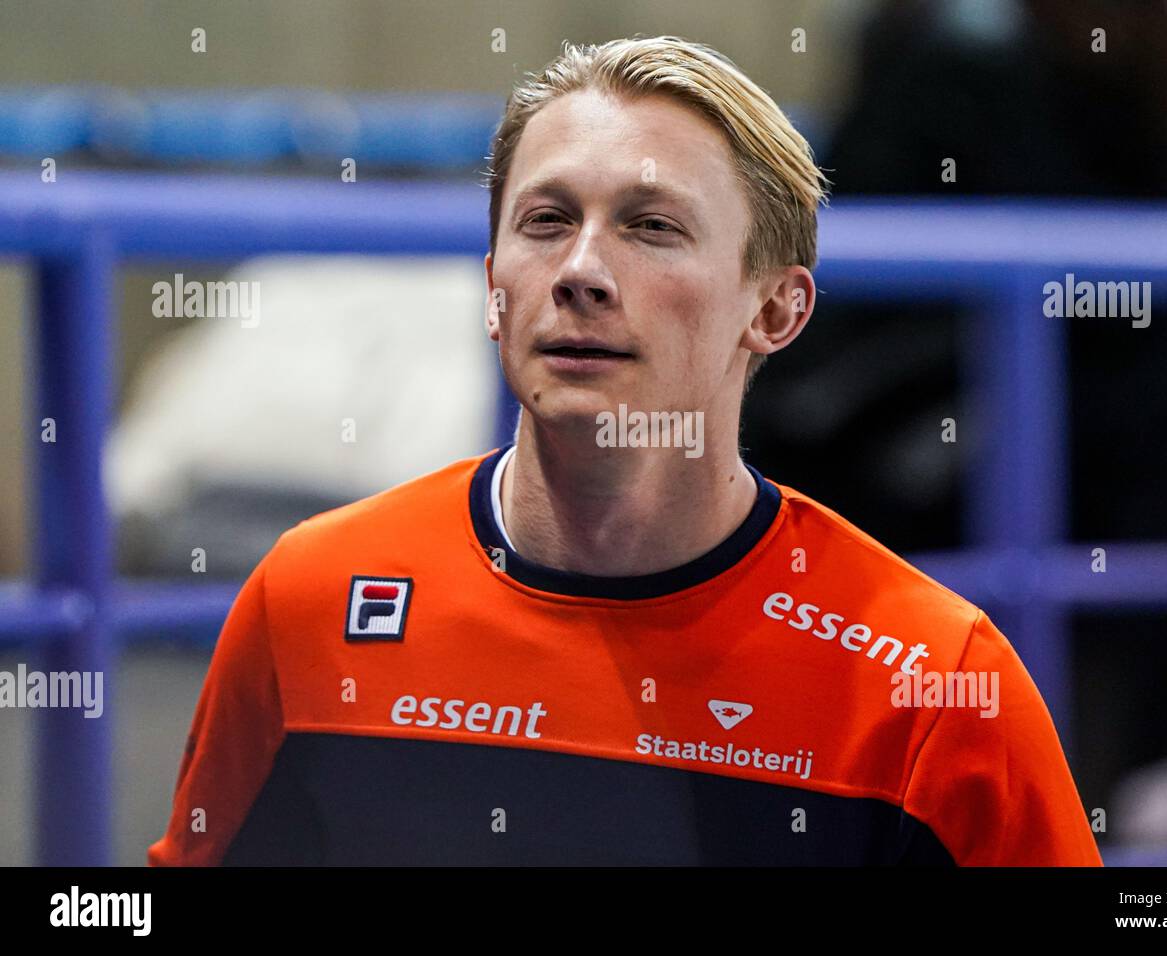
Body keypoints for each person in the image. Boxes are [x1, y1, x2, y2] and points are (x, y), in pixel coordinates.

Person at [148, 35, 1101, 866]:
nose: (582, 273)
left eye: (652, 227)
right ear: (492, 286)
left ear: (776, 307)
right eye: (546, 221)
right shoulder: (313, 598)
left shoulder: (930, 681)